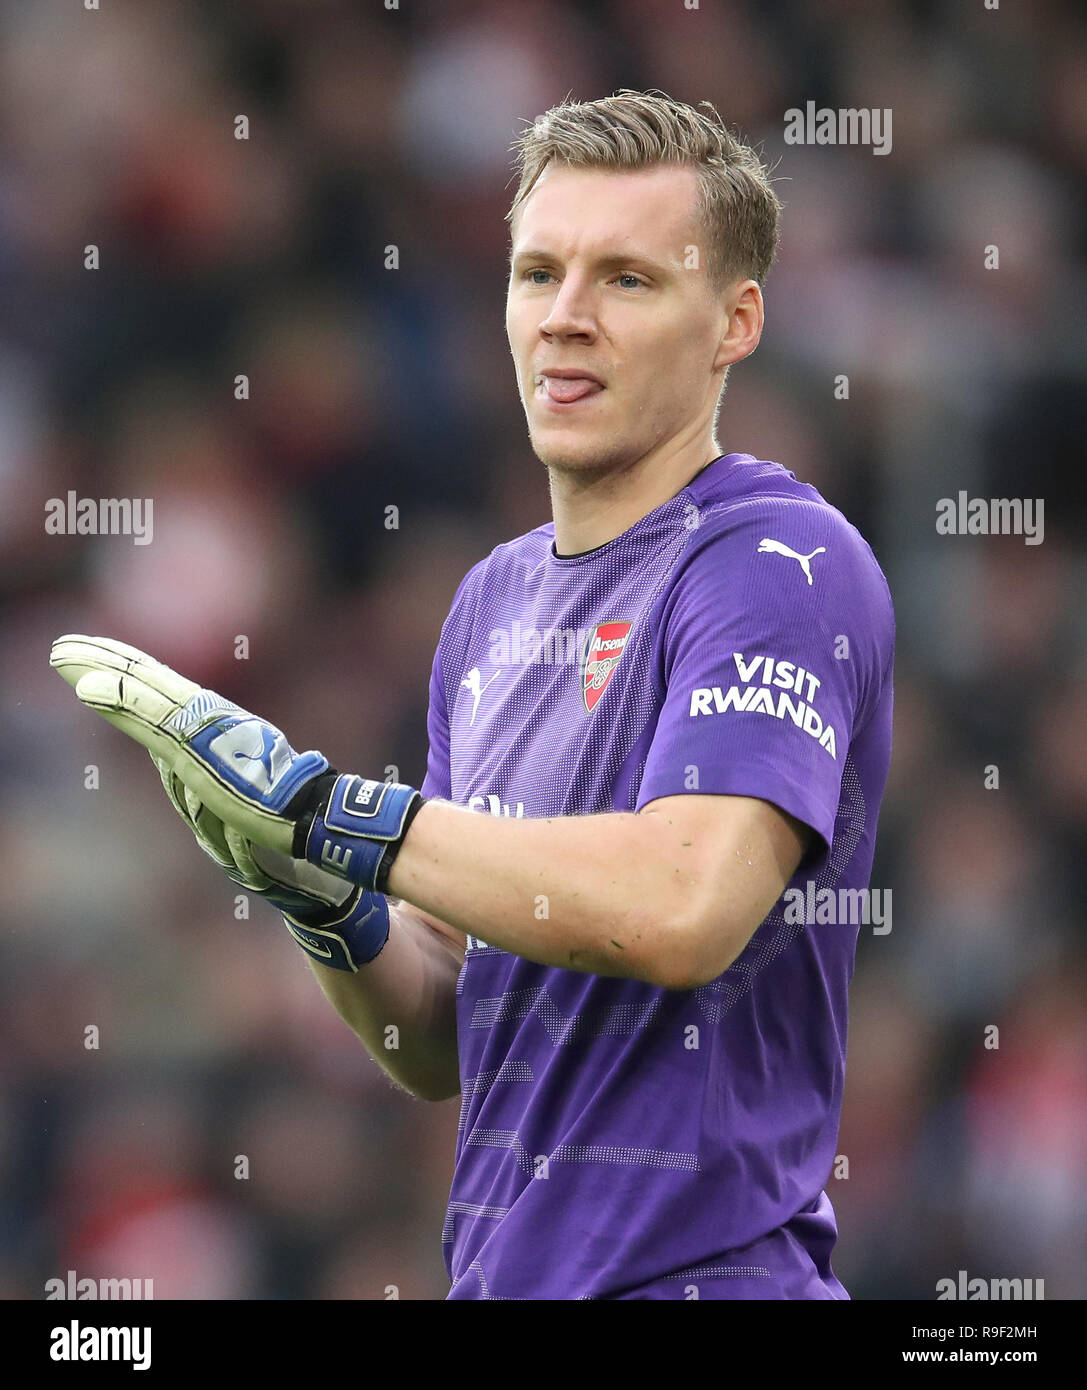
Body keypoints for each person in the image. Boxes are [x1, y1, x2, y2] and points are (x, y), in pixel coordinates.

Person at [52, 90, 894, 1300]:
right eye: (537, 271)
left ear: (735, 322)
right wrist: (317, 890)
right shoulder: (490, 607)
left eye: (628, 281)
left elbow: (682, 903)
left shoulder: (779, 566)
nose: (565, 319)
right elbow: (443, 1032)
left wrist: (344, 815)